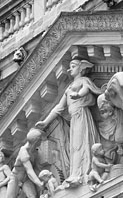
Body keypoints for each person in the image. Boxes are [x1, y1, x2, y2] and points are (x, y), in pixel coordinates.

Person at [35, 56, 102, 187]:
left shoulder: (83, 80)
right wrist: (45, 122)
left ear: (81, 68)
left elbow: (86, 89)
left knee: (81, 144)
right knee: (75, 146)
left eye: (73, 66)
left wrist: (79, 95)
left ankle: (82, 173)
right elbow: (59, 108)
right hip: (75, 118)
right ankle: (75, 173)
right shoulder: (69, 88)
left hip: (81, 115)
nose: (69, 69)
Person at [4, 128, 45, 198]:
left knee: (33, 197)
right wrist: (39, 183)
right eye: (40, 140)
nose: (41, 142)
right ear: (35, 141)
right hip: (16, 178)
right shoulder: (24, 152)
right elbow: (29, 170)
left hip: (25, 179)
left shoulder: (34, 151)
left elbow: (34, 170)